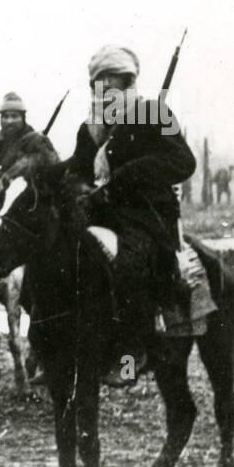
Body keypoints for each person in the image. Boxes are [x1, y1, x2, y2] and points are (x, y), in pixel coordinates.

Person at [64, 44, 196, 380]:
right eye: (100, 83)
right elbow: (78, 171)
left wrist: (132, 172)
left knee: (129, 266)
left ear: (128, 83)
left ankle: (130, 356)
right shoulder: (90, 128)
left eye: (114, 82)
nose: (106, 89)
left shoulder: (157, 114)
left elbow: (184, 161)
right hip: (100, 213)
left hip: (146, 214)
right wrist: (75, 186)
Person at [0, 92, 57, 186]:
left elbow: (55, 171)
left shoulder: (37, 140)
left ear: (23, 118)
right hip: (0, 195)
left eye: (14, 116)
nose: (9, 121)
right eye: (5, 117)